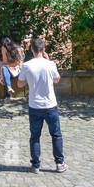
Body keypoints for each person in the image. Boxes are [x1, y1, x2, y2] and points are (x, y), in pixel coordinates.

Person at [17, 36, 65, 172]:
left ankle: (35, 165)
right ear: (43, 49)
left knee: (35, 136)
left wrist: (28, 79)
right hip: (50, 105)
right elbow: (57, 80)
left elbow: (20, 84)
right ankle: (60, 164)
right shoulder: (50, 64)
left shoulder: (27, 65)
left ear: (31, 49)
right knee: (56, 134)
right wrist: (48, 61)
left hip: (35, 105)